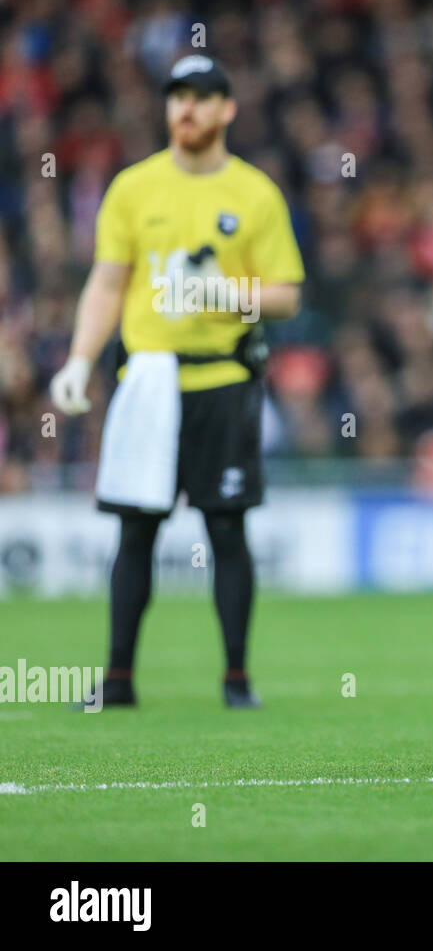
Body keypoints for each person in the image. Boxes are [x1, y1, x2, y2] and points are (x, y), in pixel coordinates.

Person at [49, 55, 304, 708]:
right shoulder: (133, 188)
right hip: (150, 379)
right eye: (178, 97)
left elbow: (287, 296)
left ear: (227, 109)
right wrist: (80, 357)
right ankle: (119, 680)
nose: (186, 109)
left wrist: (227, 291)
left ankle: (237, 679)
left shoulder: (255, 193)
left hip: (222, 377)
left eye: (201, 96)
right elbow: (108, 281)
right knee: (136, 529)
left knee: (227, 527)